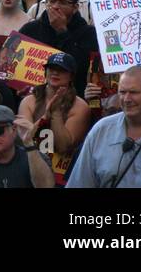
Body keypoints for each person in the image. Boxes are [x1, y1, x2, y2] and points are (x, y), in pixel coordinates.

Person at [15, 52, 91, 184]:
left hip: (62, 177)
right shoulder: (29, 101)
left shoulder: (80, 107)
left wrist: (56, 113)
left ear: (71, 76)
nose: (55, 73)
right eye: (51, 68)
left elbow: (63, 146)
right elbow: (24, 139)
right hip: (29, 169)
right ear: (45, 72)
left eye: (61, 70)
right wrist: (45, 117)